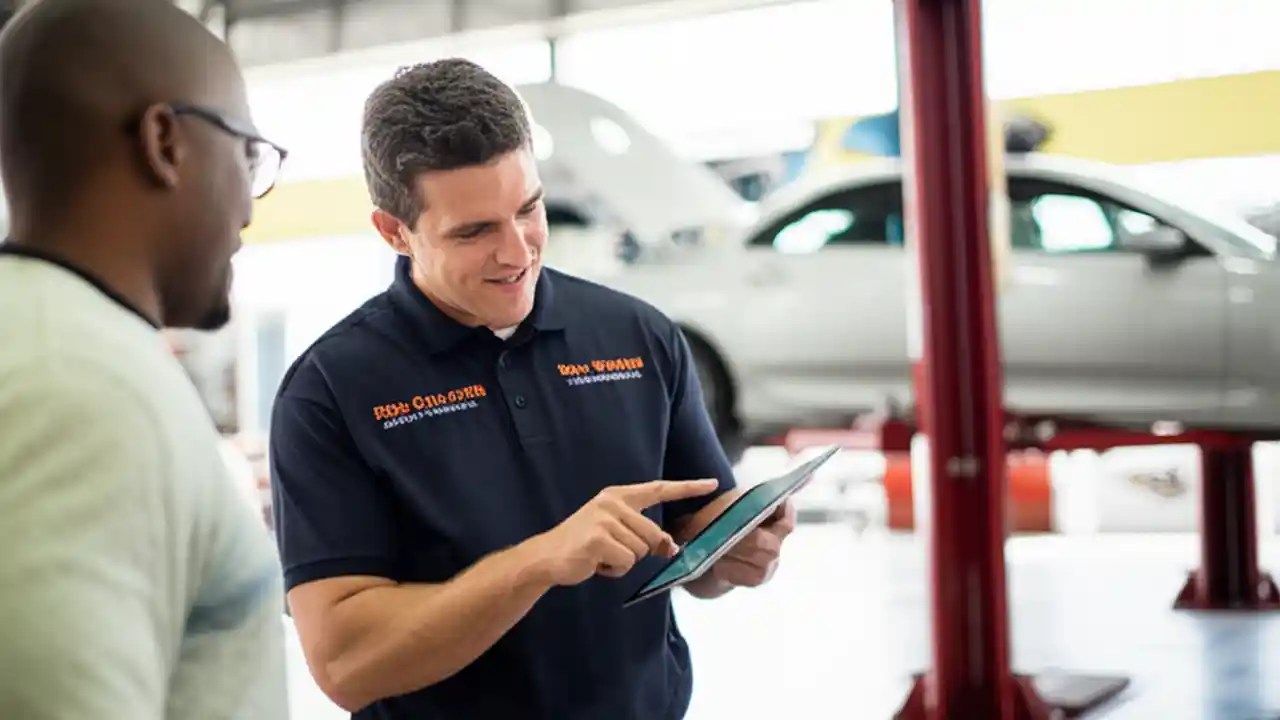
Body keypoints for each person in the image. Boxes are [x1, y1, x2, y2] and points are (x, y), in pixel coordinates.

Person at [270, 58, 798, 720]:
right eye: (474, 232)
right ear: (394, 232)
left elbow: (698, 549)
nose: (517, 251)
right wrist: (539, 562)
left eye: (529, 209)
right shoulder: (330, 392)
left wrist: (738, 551)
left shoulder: (639, 338)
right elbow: (346, 665)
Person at [0, 0, 290, 717]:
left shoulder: (55, 344)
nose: (251, 208)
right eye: (247, 153)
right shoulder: (81, 389)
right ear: (164, 140)